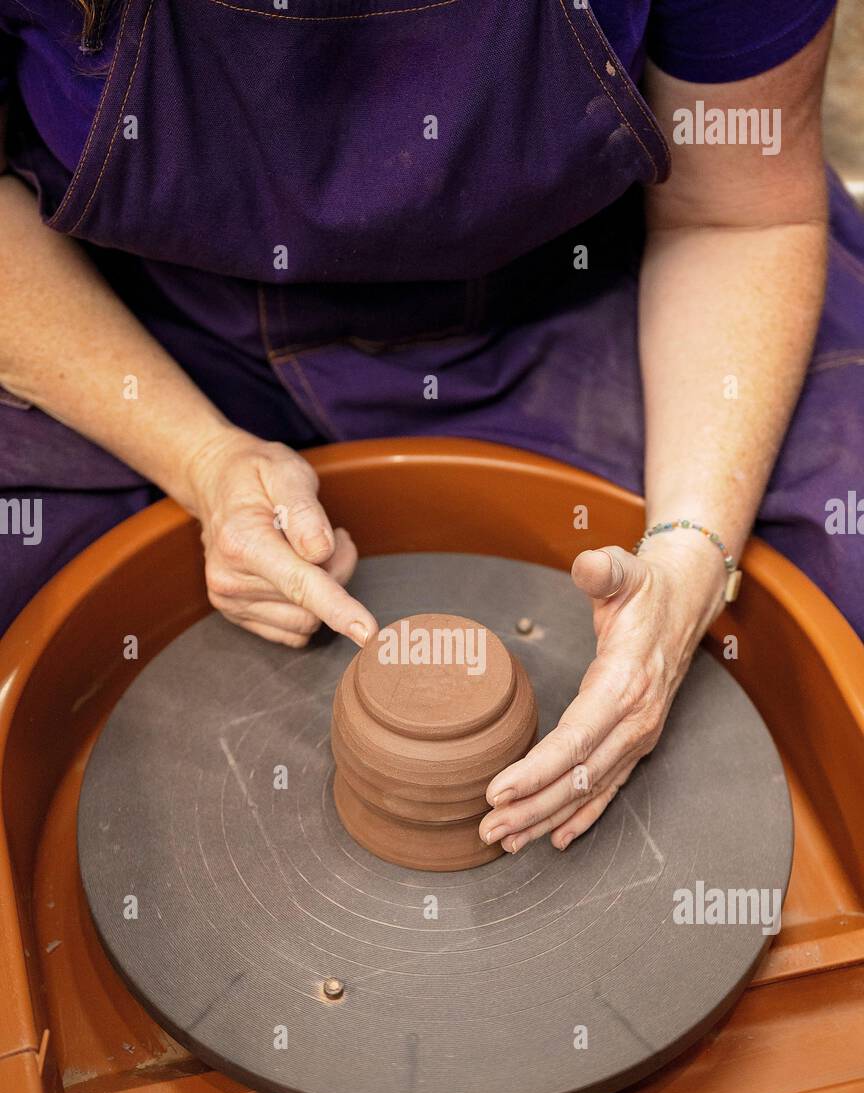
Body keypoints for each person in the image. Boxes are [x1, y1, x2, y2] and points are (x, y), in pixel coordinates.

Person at [0, 1, 859, 855]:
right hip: (143, 320)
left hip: (574, 284)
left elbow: (738, 212)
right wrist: (198, 456)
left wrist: (691, 558)